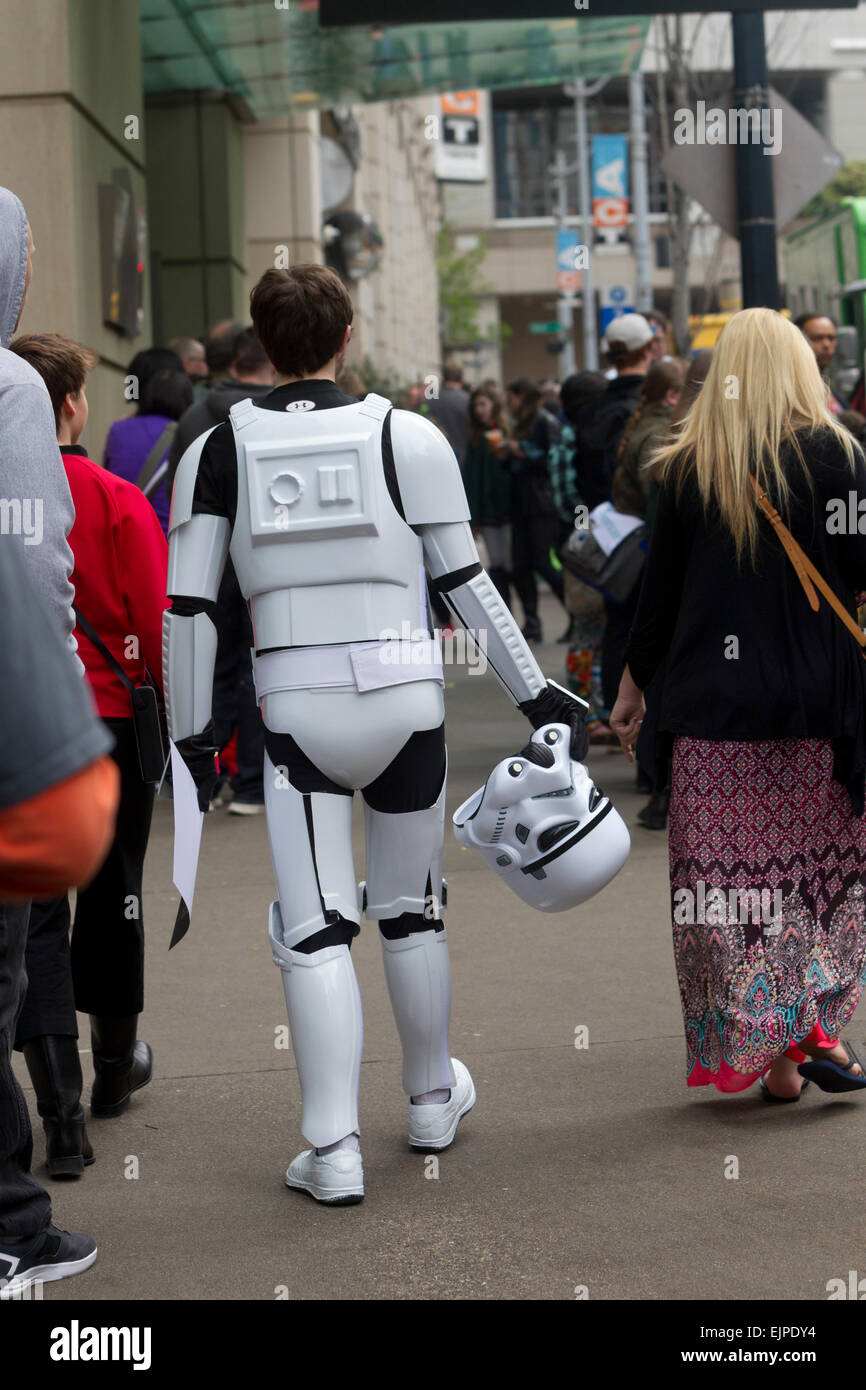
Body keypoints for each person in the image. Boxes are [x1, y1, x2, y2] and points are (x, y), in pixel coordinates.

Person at [164, 263, 589, 1205]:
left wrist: (191, 738)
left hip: (296, 715)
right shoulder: (409, 436)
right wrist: (537, 696)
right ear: (346, 337)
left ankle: (335, 1147)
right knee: (412, 907)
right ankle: (431, 1097)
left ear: (264, 344)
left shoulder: (217, 449)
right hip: (407, 705)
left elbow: (189, 606)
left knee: (312, 930)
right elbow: (466, 582)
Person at [611, 307, 866, 1102]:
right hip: (822, 706)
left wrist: (630, 689)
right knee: (819, 879)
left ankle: (776, 1050)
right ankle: (810, 1036)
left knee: (729, 889)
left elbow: (659, 596)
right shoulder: (842, 457)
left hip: (715, 713)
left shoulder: (689, 466)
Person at [10, 333, 168, 1174]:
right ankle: (113, 1067)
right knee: (117, 894)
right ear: (72, 402)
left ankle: (54, 1101)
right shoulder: (113, 497)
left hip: (26, 718)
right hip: (108, 716)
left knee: (33, 914)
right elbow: (152, 620)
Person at [167, 328, 274, 815]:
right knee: (260, 672)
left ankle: (200, 782)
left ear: (232, 365)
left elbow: (180, 488)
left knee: (210, 670)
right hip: (266, 567)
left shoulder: (194, 417)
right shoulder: (279, 418)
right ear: (269, 365)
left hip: (206, 566)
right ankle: (252, 785)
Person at [504, 378, 567, 643]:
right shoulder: (522, 422)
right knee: (520, 566)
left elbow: (552, 460)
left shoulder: (544, 421)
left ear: (521, 397)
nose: (507, 403)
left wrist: (522, 453)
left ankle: (575, 614)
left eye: (511, 397)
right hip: (521, 502)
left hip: (540, 502)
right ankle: (531, 623)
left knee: (542, 561)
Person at [103, 356, 193, 535]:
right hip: (169, 540)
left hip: (126, 536)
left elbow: (107, 478)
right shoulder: (189, 433)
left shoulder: (119, 429)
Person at [461, 386, 512, 605]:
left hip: (509, 507)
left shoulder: (507, 432)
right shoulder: (475, 438)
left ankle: (531, 619)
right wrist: (474, 516)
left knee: (513, 563)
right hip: (489, 509)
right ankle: (508, 611)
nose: (479, 410)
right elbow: (473, 480)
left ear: (494, 404)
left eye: (483, 404)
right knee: (497, 562)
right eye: (476, 406)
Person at [794, 312, 849, 414]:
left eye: (831, 338)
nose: (826, 345)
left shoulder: (829, 390)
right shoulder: (795, 392)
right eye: (817, 338)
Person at [425, 361, 470, 464]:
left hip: (436, 458)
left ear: (443, 377)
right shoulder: (469, 401)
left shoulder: (429, 401)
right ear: (462, 377)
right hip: (463, 460)